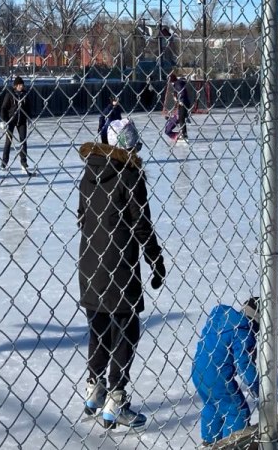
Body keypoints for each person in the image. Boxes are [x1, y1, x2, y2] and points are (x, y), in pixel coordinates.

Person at [77, 117, 166, 429]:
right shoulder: (130, 175)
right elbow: (141, 225)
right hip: (119, 266)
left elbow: (82, 217)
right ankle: (115, 400)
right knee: (126, 330)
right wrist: (156, 260)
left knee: (99, 328)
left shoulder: (89, 173)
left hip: (89, 264)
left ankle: (94, 389)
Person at [191, 297, 261, 445]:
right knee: (237, 411)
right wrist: (258, 387)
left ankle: (210, 443)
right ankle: (232, 446)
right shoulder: (244, 332)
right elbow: (244, 364)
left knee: (213, 405)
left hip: (198, 369)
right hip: (217, 376)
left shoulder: (222, 318)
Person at [0, 76, 32, 175]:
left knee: (23, 141)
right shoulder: (10, 94)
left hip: (22, 121)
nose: (21, 86)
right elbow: (3, 108)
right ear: (15, 86)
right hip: (11, 121)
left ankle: (24, 163)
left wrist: (29, 118)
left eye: (22, 85)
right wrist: (3, 121)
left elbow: (28, 107)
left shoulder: (25, 94)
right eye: (19, 85)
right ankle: (4, 163)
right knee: (8, 142)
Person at [174, 75, 192, 141]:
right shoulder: (180, 84)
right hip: (186, 102)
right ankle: (184, 133)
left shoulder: (177, 84)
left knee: (181, 118)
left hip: (183, 103)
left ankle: (184, 134)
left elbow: (182, 93)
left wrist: (180, 100)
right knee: (182, 118)